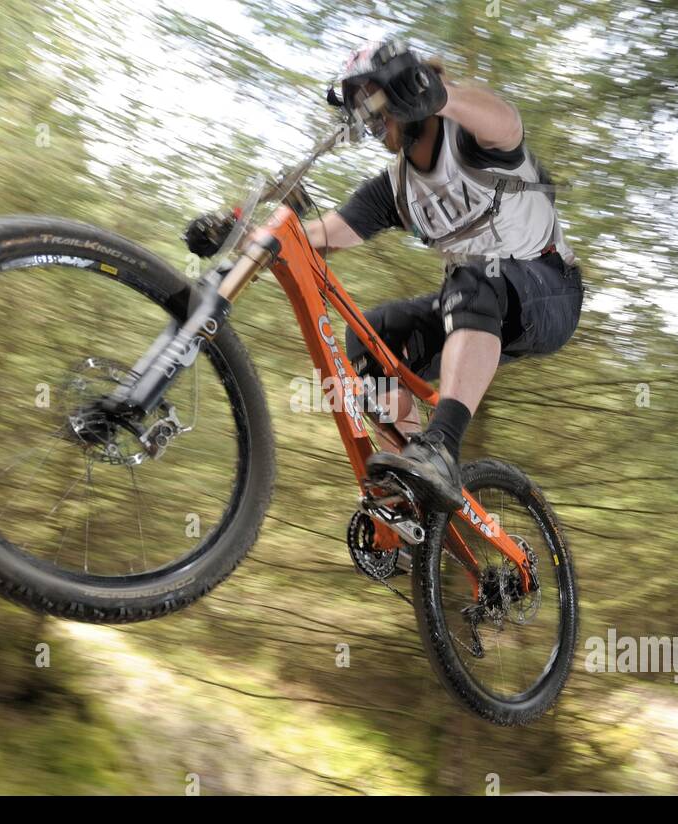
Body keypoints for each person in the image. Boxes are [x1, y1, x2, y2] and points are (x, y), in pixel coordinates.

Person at [190, 39, 584, 511]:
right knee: (371, 334)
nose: (375, 123)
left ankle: (441, 447)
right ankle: (412, 484)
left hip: (550, 292)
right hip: (480, 310)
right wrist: (238, 235)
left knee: (474, 277)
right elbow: (317, 237)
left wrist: (440, 95)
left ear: (409, 91)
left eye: (377, 102)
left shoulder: (471, 139)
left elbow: (507, 123)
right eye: (363, 109)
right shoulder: (396, 188)